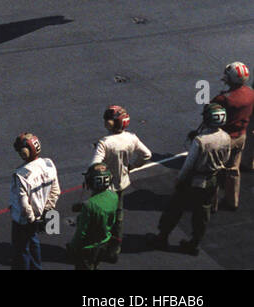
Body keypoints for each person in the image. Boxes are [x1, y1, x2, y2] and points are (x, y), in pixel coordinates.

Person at [154, 102, 233, 254]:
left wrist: (180, 179)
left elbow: (189, 164)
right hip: (212, 180)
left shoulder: (200, 141)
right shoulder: (226, 137)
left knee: (175, 208)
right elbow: (226, 158)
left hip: (194, 180)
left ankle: (162, 237)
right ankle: (195, 242)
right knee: (202, 213)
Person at [91, 105, 151, 262]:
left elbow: (95, 165)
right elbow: (147, 154)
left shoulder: (105, 143)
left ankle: (97, 248)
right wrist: (131, 167)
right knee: (118, 219)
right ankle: (114, 250)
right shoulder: (131, 138)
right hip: (121, 184)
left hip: (104, 187)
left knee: (99, 218)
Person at [10, 132, 60, 270]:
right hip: (39, 213)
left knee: (21, 250)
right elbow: (55, 191)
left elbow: (24, 202)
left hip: (23, 219)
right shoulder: (48, 164)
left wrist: (31, 218)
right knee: (33, 243)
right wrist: (47, 209)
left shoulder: (21, 174)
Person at [213, 62, 253, 210]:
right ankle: (232, 201)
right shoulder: (251, 93)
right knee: (233, 169)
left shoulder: (223, 99)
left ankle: (212, 203)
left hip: (224, 139)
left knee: (215, 170)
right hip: (240, 136)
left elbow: (211, 118)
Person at [67, 164, 119, 270]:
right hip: (104, 241)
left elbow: (81, 232)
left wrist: (73, 247)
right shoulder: (113, 196)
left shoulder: (89, 205)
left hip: (89, 247)